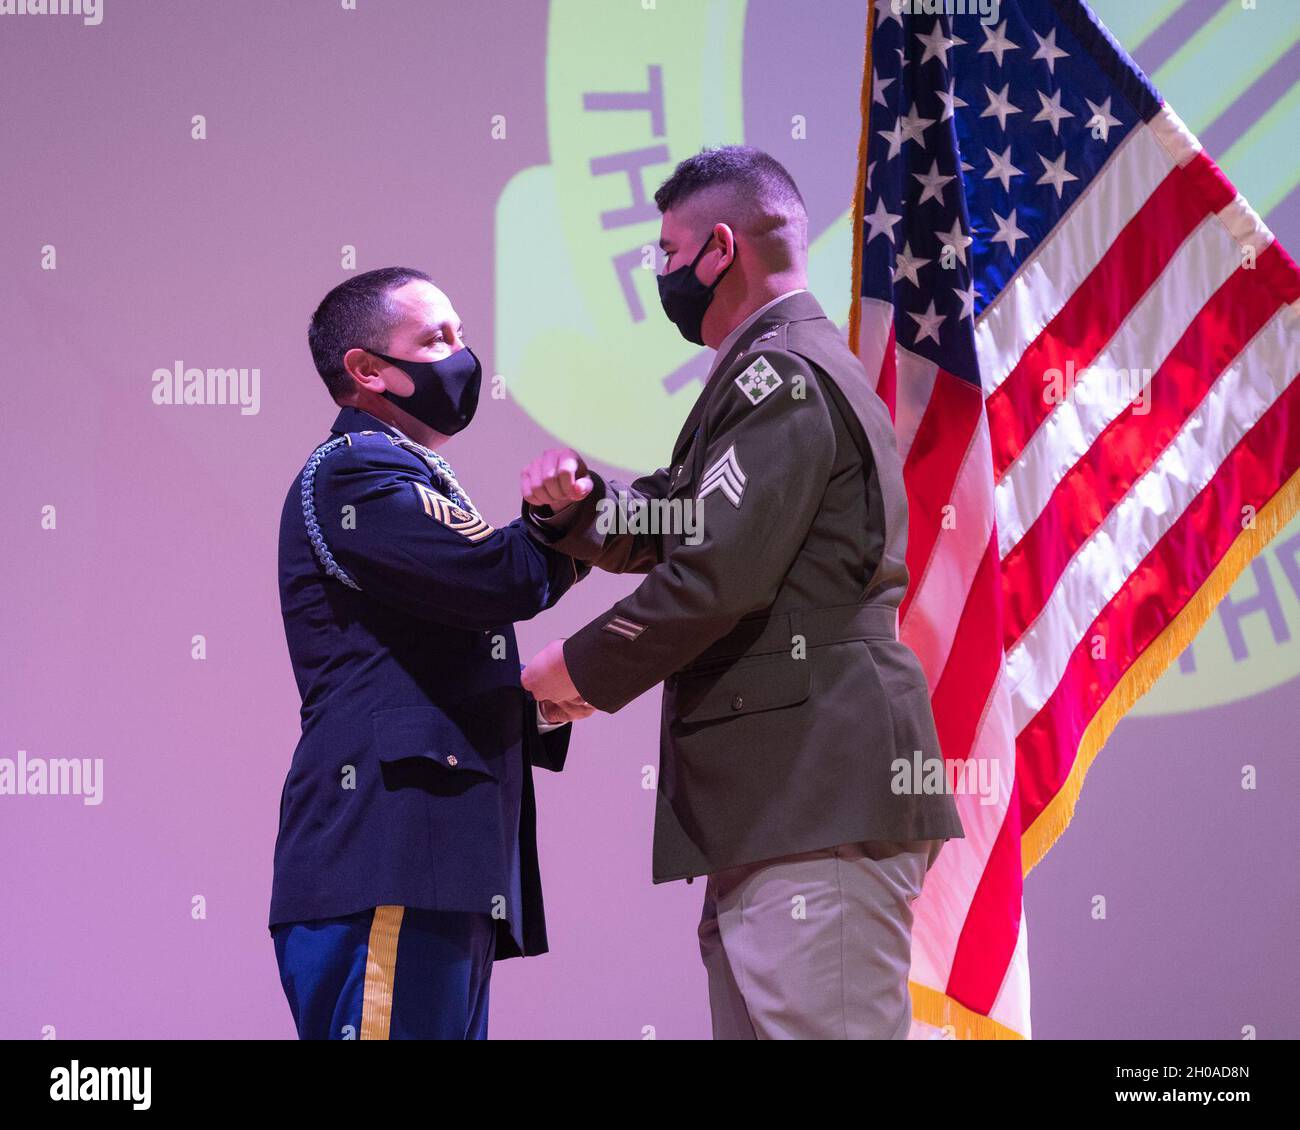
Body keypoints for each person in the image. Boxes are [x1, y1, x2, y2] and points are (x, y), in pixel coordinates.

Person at [519, 146, 964, 1040]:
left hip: (815, 790)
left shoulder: (783, 374)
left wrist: (565, 678)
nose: (663, 273)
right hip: (785, 804)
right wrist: (583, 511)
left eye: (668, 250)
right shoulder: (768, 368)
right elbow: (695, 517)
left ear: (719, 248)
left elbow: (716, 577)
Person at [270, 267, 588, 1040]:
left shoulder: (402, 470)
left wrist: (535, 706)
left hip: (432, 865)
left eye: (462, 336)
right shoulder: (357, 469)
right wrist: (565, 520)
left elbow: (420, 657)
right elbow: (497, 578)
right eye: (436, 338)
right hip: (386, 850)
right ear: (367, 370)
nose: (460, 355)